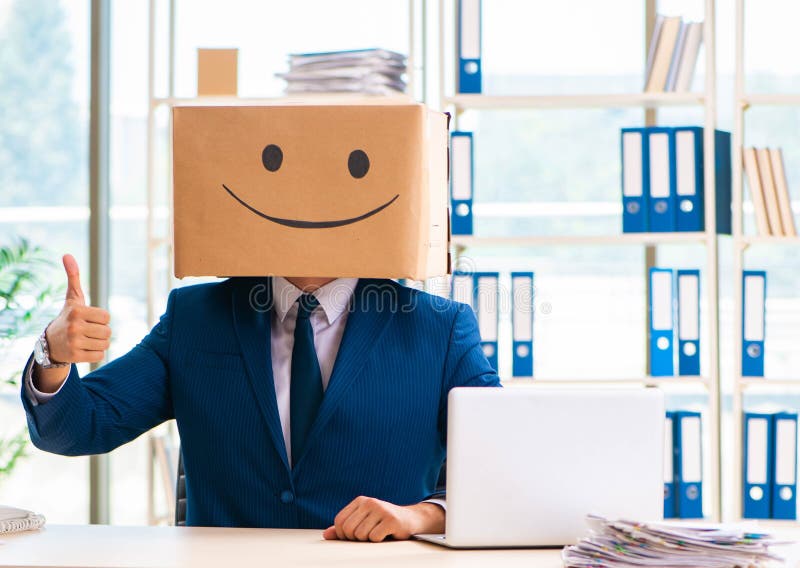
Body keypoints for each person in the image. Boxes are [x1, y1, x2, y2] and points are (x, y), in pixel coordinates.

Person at [22, 255, 500, 541]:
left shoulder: (439, 327)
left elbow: (501, 472)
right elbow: (78, 427)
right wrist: (52, 353)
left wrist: (418, 516)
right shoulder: (196, 317)